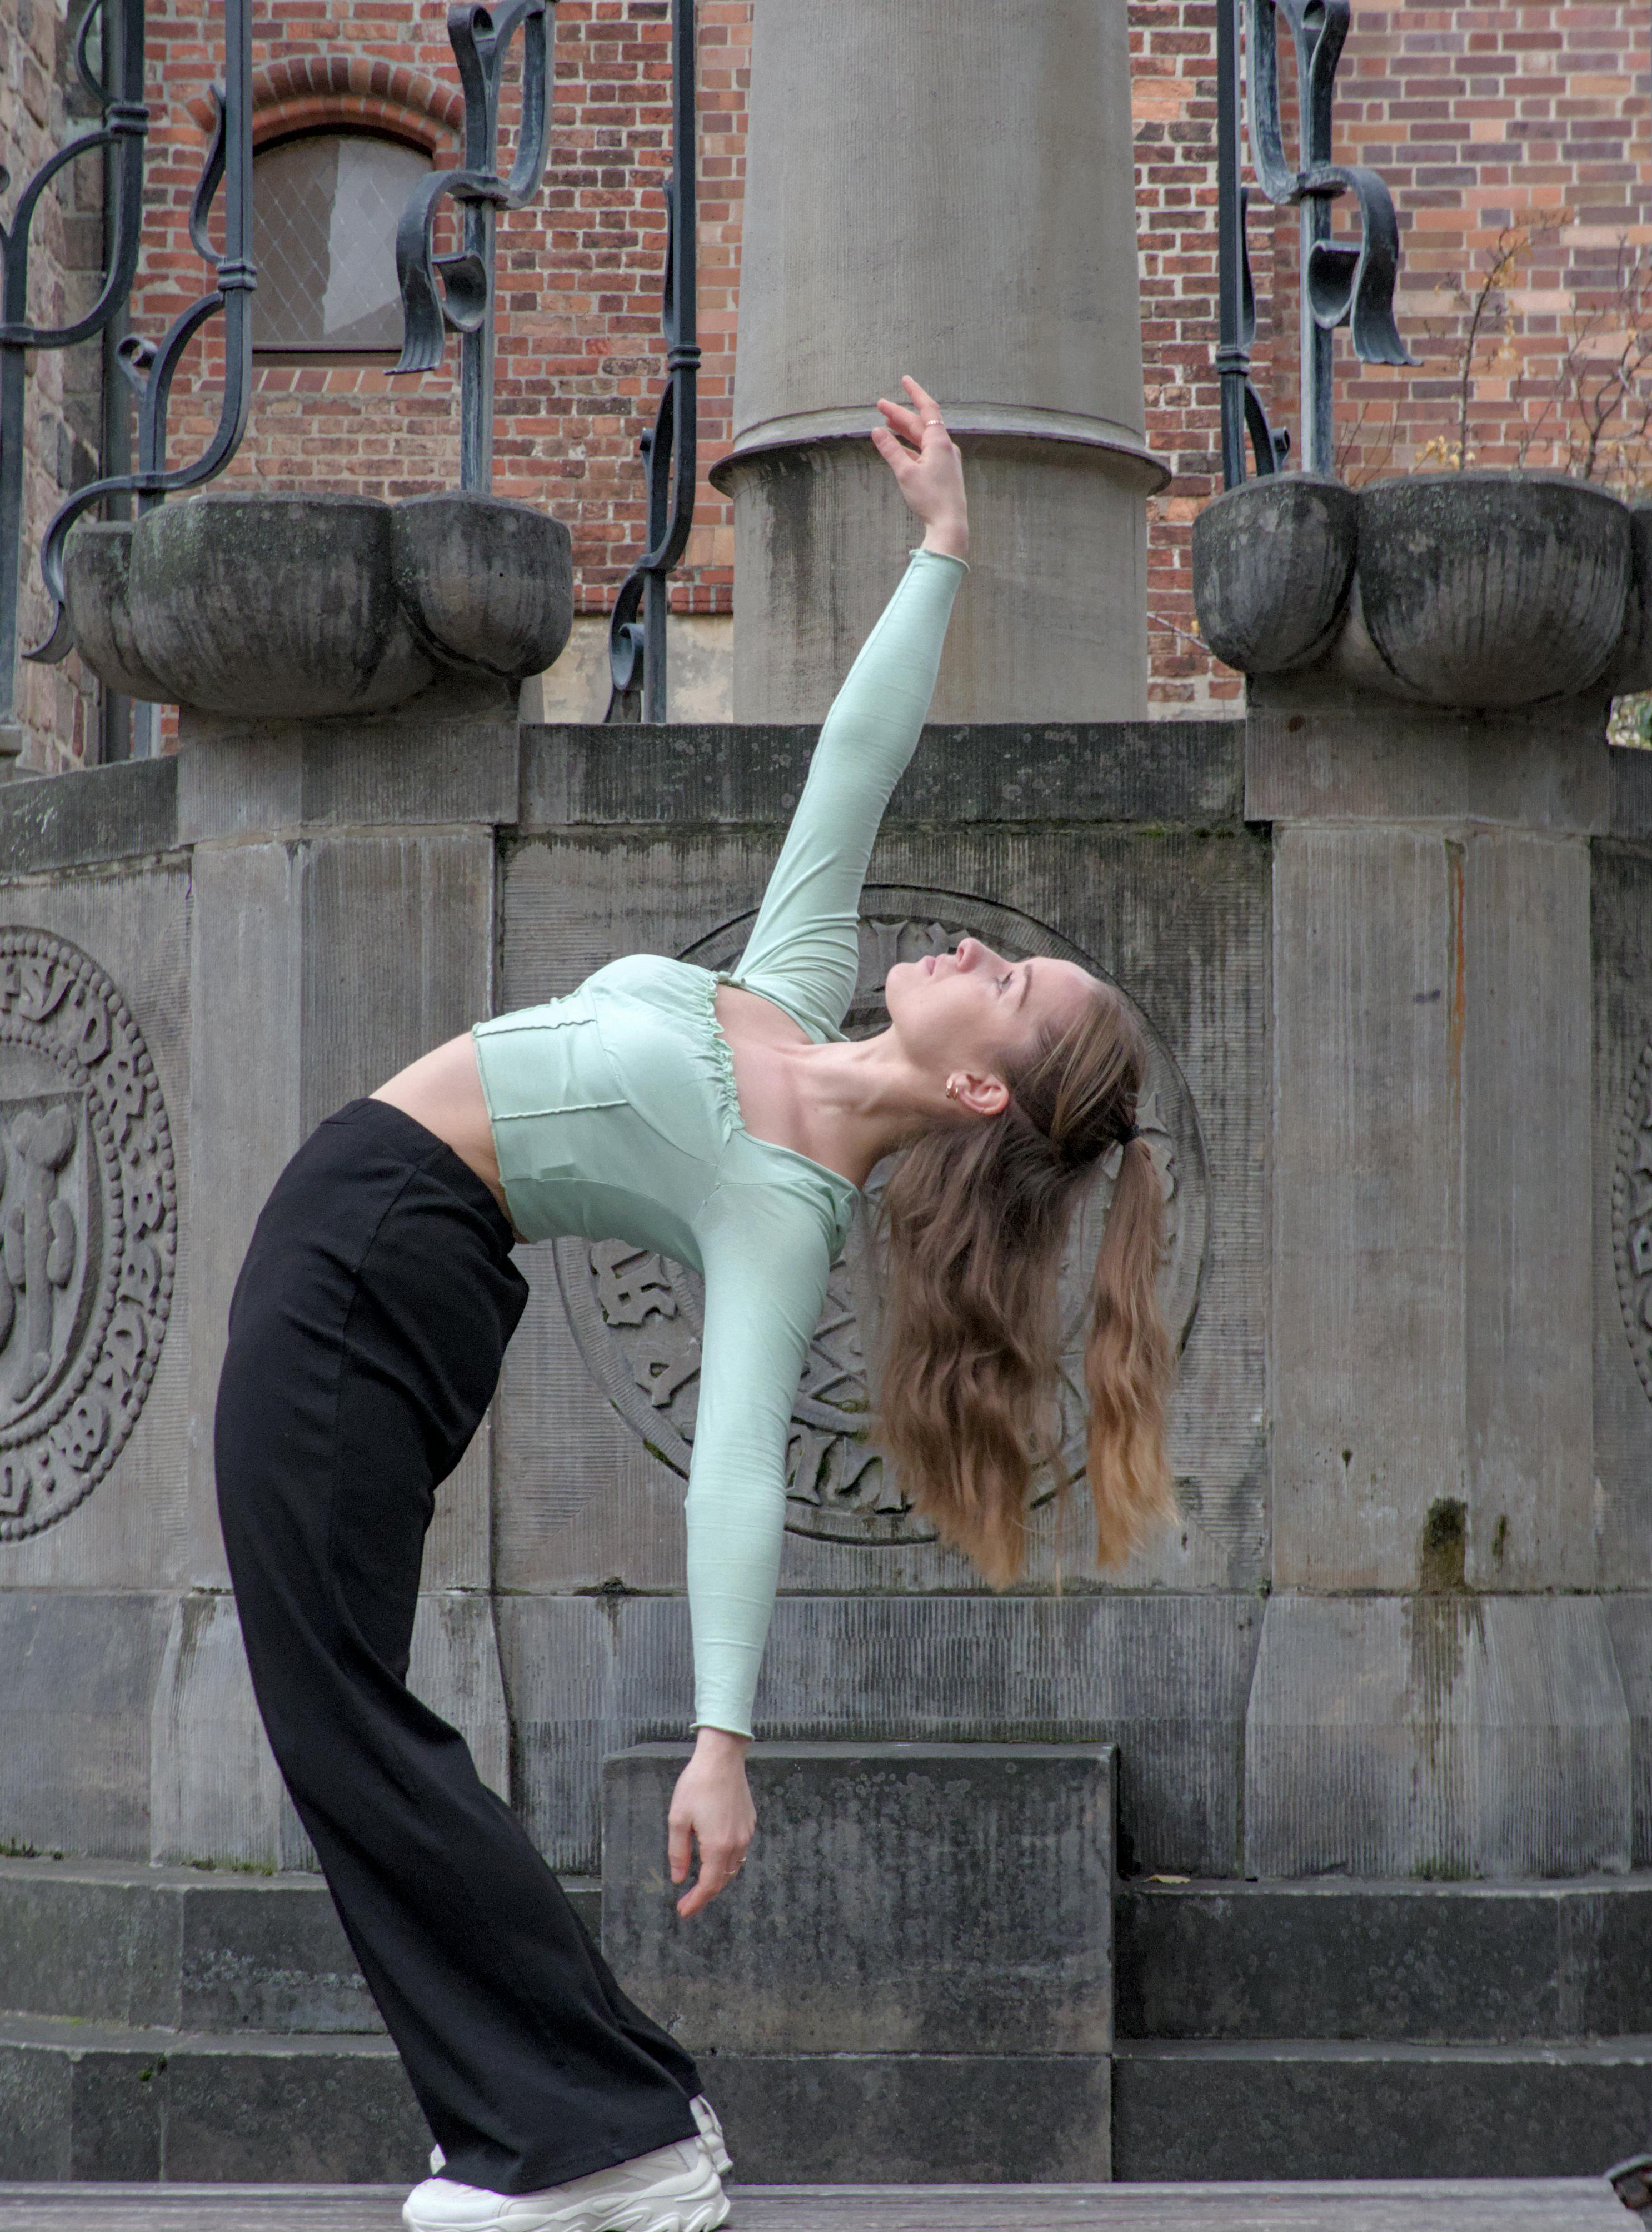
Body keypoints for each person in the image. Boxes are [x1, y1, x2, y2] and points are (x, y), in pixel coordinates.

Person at [213, 377, 1176, 2232]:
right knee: (341, 1705)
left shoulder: (782, 1195)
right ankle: (578, 2120)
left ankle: (590, 2136)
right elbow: (854, 768)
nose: (974, 947)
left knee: (336, 1709)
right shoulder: (799, 993)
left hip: (380, 1253)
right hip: (377, 1243)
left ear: (983, 1088)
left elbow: (733, 1470)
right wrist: (945, 549)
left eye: (1013, 984)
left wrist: (723, 1735)